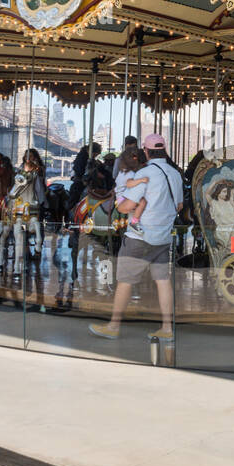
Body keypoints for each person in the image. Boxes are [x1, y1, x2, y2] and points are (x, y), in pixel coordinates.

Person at [89, 134, 183, 342]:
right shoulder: (175, 174)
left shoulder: (147, 173)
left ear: (146, 151)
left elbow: (127, 206)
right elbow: (179, 206)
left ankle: (114, 326)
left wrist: (119, 205)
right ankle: (167, 328)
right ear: (164, 149)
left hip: (139, 238)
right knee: (163, 281)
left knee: (125, 281)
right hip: (163, 237)